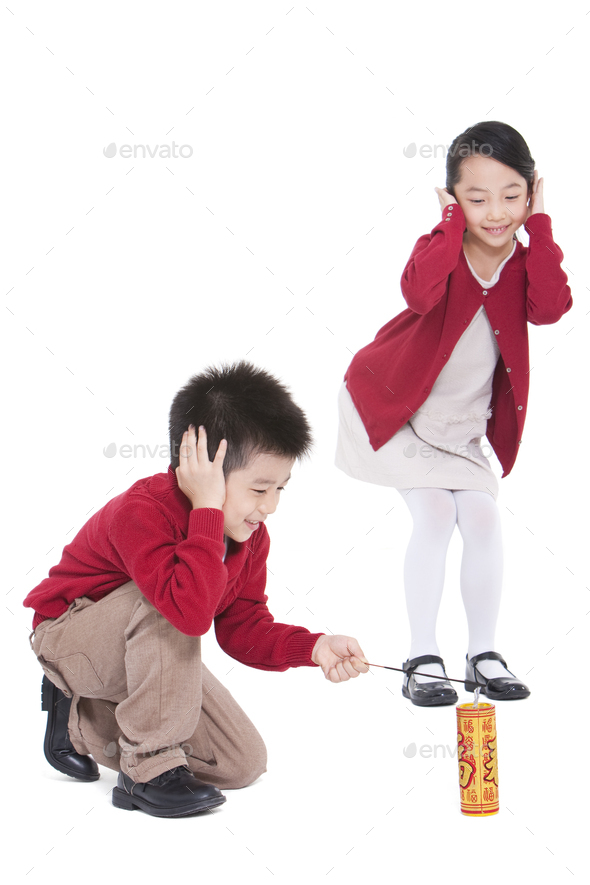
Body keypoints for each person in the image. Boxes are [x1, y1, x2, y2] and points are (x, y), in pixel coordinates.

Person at [25, 361, 369, 817]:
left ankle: (79, 725)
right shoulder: (144, 512)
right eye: (259, 488)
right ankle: (145, 769)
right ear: (200, 467)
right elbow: (188, 613)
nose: (270, 506)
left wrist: (314, 647)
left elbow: (242, 626)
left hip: (147, 647)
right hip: (69, 637)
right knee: (172, 600)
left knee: (241, 762)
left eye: (281, 489)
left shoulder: (249, 535)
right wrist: (206, 508)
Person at [336, 121, 572, 707]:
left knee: (485, 520)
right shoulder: (439, 249)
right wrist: (446, 224)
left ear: (531, 192)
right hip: (393, 409)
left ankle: (484, 652)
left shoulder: (524, 259)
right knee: (437, 514)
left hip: (457, 428)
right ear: (452, 198)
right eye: (475, 197)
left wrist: (538, 226)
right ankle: (423, 656)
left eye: (512, 195)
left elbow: (551, 307)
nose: (496, 211)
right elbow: (418, 294)